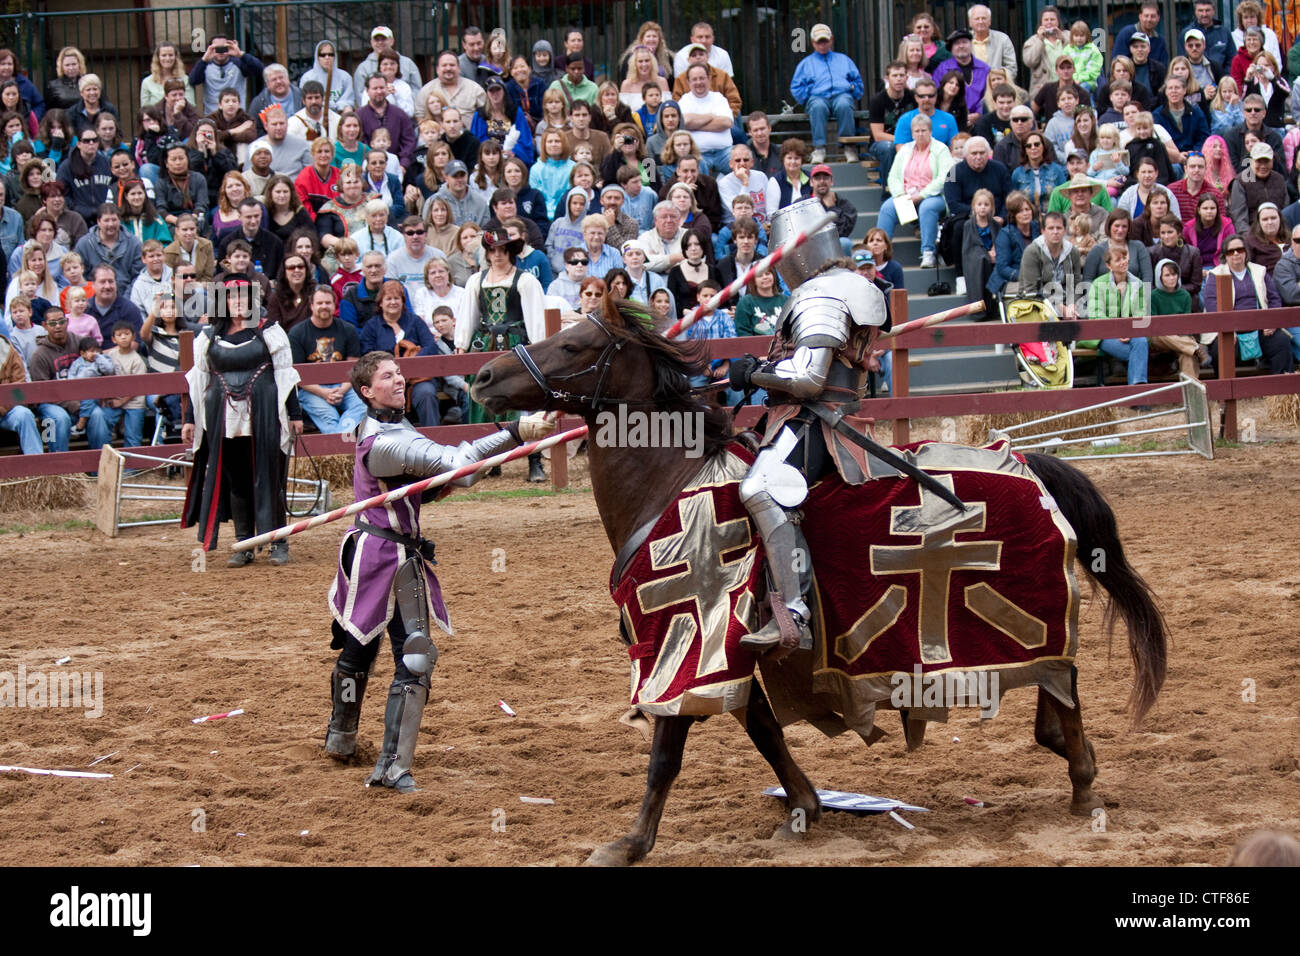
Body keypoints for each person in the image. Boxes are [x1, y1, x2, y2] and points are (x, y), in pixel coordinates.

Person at [323, 349, 556, 790]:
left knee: (385, 654)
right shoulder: (383, 439)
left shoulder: (396, 428)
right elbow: (456, 465)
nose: (400, 381)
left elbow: (426, 486)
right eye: (388, 376)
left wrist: (444, 487)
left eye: (400, 373)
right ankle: (367, 752)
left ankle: (362, 748)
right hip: (381, 558)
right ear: (365, 391)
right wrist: (514, 431)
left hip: (389, 551)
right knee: (387, 656)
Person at [726, 205, 887, 653]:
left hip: (815, 421)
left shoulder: (821, 294)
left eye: (779, 259)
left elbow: (809, 379)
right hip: (817, 415)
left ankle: (794, 612)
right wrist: (761, 370)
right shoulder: (848, 286)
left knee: (759, 487)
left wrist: (755, 375)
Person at [182, 272, 301, 561]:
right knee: (237, 480)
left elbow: (286, 375)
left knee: (269, 476)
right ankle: (244, 543)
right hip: (224, 417)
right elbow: (199, 381)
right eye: (232, 297)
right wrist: (189, 419)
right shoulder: (208, 337)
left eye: (243, 298)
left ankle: (278, 541)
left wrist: (295, 414)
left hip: (265, 413)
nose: (238, 303)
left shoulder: (270, 331)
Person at [1201, 235, 1293, 373]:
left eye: (1240, 250)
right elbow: (1211, 304)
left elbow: (1274, 298)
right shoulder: (1215, 275)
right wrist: (1227, 329)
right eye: (1231, 251)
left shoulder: (1259, 271)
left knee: (1281, 342)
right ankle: (1225, 392)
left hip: (1261, 328)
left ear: (1246, 252)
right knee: (1219, 350)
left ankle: (1283, 391)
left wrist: (1272, 322)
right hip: (1230, 330)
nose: (1236, 254)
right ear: (1225, 255)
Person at [27, 307, 111, 450]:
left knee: (97, 415)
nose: (58, 326)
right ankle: (58, 466)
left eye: (61, 321)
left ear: (67, 322)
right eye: (53, 323)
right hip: (50, 403)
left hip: (82, 399)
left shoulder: (81, 343)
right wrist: (73, 404)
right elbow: (42, 392)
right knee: (59, 418)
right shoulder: (39, 355)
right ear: (44, 326)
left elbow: (100, 366)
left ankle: (100, 465)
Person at [790, 24, 864, 164]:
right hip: (817, 97)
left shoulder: (844, 60)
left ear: (831, 40)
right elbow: (796, 87)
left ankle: (848, 147)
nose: (822, 45)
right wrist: (807, 96)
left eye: (825, 41)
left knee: (844, 104)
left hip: (841, 94)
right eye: (819, 42)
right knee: (817, 106)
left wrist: (853, 89)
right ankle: (819, 148)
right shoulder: (806, 64)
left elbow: (858, 81)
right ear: (813, 43)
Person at [867, 62, 916, 188]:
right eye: (895, 76)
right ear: (887, 79)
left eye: (901, 75)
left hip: (909, 141)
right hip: (881, 144)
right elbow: (878, 135)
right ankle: (888, 191)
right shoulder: (877, 100)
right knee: (889, 148)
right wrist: (902, 141)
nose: (899, 79)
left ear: (907, 78)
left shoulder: (913, 97)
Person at [76, 207, 144, 294]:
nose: (111, 224)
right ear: (98, 222)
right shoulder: (84, 244)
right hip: (93, 297)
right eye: (106, 220)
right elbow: (80, 275)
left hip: (126, 295)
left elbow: (139, 275)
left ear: (120, 220)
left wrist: (127, 298)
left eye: (114, 220)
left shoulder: (134, 243)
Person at [188, 36, 264, 114]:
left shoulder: (239, 64)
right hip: (213, 116)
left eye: (224, 48)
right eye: (217, 48)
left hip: (237, 116)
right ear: (210, 49)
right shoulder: (205, 66)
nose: (221, 52)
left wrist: (241, 54)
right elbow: (192, 80)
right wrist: (204, 60)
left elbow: (260, 69)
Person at [1228, 142, 1287, 234]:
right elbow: (1239, 218)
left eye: (1266, 161)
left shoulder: (1280, 180)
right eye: (1259, 161)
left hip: (1279, 233)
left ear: (1272, 161)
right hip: (1252, 234)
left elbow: (1285, 211)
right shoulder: (1240, 181)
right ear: (1251, 161)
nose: (1263, 166)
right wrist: (1250, 239)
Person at [216, 197, 284, 276]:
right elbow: (220, 276)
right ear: (239, 217)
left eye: (256, 216)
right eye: (248, 217)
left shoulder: (275, 242)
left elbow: (281, 276)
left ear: (261, 214)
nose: (253, 221)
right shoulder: (227, 243)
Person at [353, 25, 422, 97]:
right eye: (376, 40)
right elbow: (360, 95)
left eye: (383, 39)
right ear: (371, 42)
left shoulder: (408, 64)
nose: (380, 42)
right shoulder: (363, 68)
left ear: (392, 41)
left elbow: (417, 90)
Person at [300, 40, 355, 113]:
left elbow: (348, 100)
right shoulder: (308, 78)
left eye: (330, 54)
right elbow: (307, 101)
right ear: (317, 57)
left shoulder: (345, 76)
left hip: (339, 112)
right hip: (317, 111)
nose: (327, 57)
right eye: (323, 55)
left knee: (348, 110)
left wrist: (336, 106)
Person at [1182, 1, 1236, 76]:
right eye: (1200, 10)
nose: (1204, 14)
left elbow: (1232, 60)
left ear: (1214, 11)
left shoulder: (1224, 32)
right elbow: (1182, 60)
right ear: (1195, 12)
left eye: (1207, 10)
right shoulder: (1186, 33)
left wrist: (1224, 79)